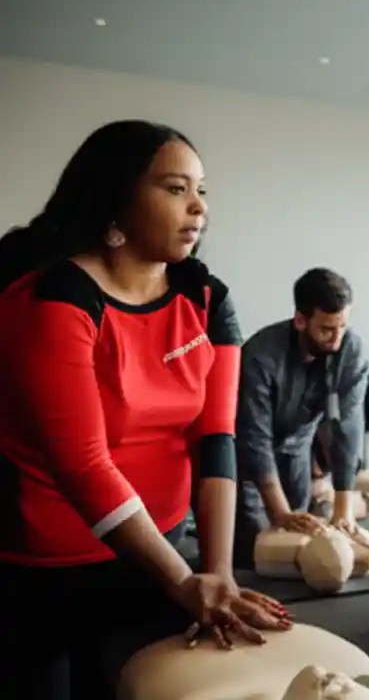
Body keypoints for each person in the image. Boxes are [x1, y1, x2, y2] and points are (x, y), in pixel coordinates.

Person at [0, 121, 290, 698]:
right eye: (175, 188)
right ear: (118, 197)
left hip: (157, 548)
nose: (198, 208)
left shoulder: (207, 298)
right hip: (49, 569)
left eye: (202, 191)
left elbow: (216, 438)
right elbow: (81, 463)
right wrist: (185, 580)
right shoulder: (57, 298)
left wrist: (218, 575)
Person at [233, 268, 369, 565]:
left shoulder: (351, 350)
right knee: (256, 548)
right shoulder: (260, 355)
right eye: (325, 330)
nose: (336, 340)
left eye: (342, 327)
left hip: (297, 450)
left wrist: (343, 509)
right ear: (300, 320)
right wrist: (280, 512)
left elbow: (348, 427)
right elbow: (254, 437)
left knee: (300, 546)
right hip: (247, 459)